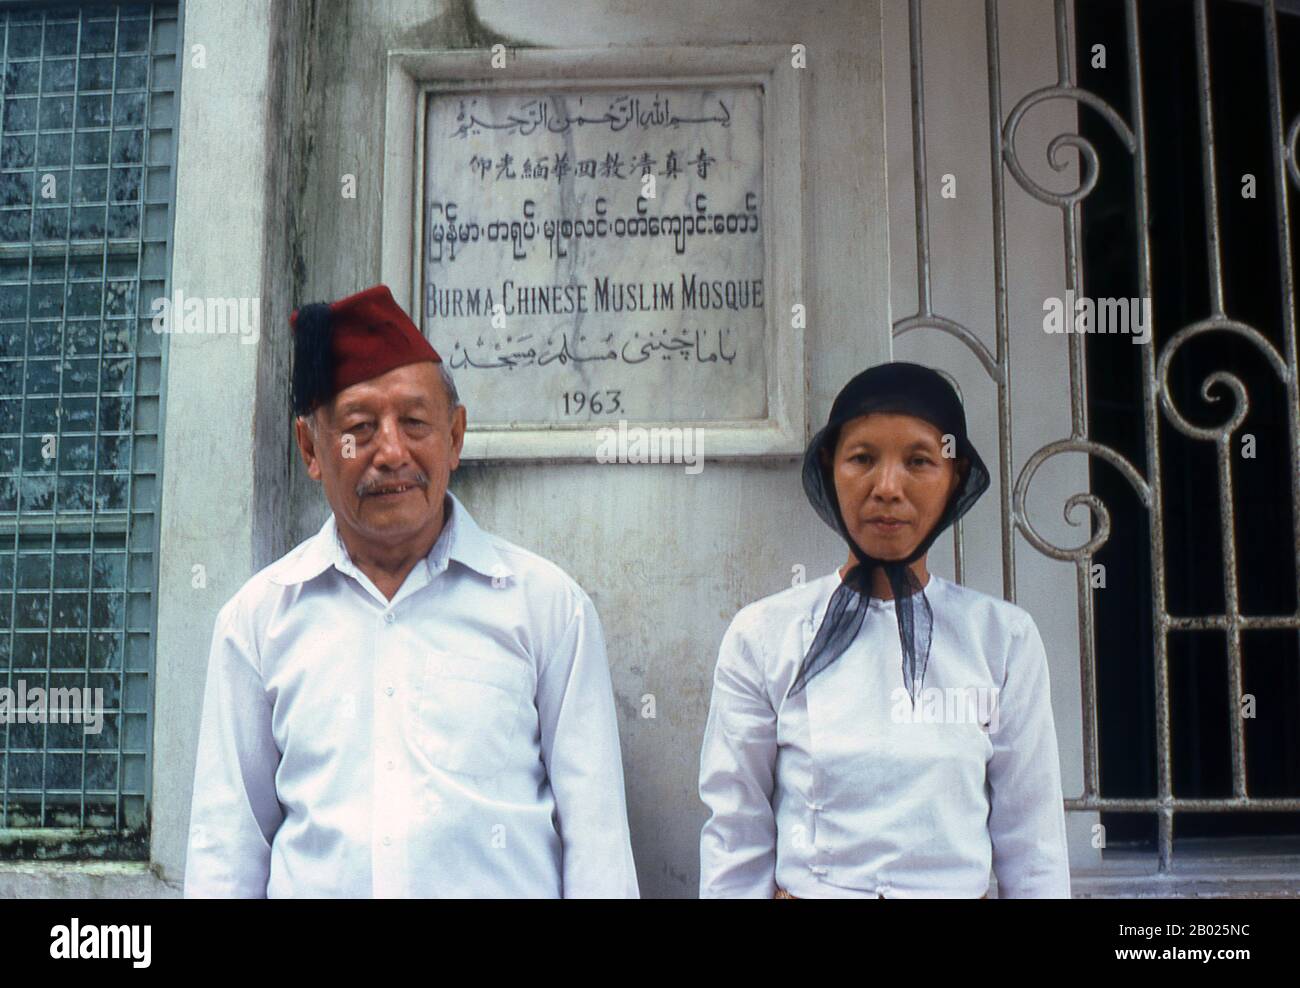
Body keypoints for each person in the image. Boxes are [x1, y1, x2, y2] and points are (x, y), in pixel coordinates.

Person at [184, 284, 638, 898]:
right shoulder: (258, 620)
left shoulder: (545, 607)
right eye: (360, 428)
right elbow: (226, 851)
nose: (392, 452)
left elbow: (598, 847)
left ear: (454, 437)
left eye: (415, 422)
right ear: (311, 448)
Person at [698, 361, 1070, 898]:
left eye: (919, 460)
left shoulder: (1003, 640)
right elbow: (736, 831)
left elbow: (1032, 845)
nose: (888, 488)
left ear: (955, 476)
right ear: (830, 468)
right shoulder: (763, 636)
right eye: (862, 459)